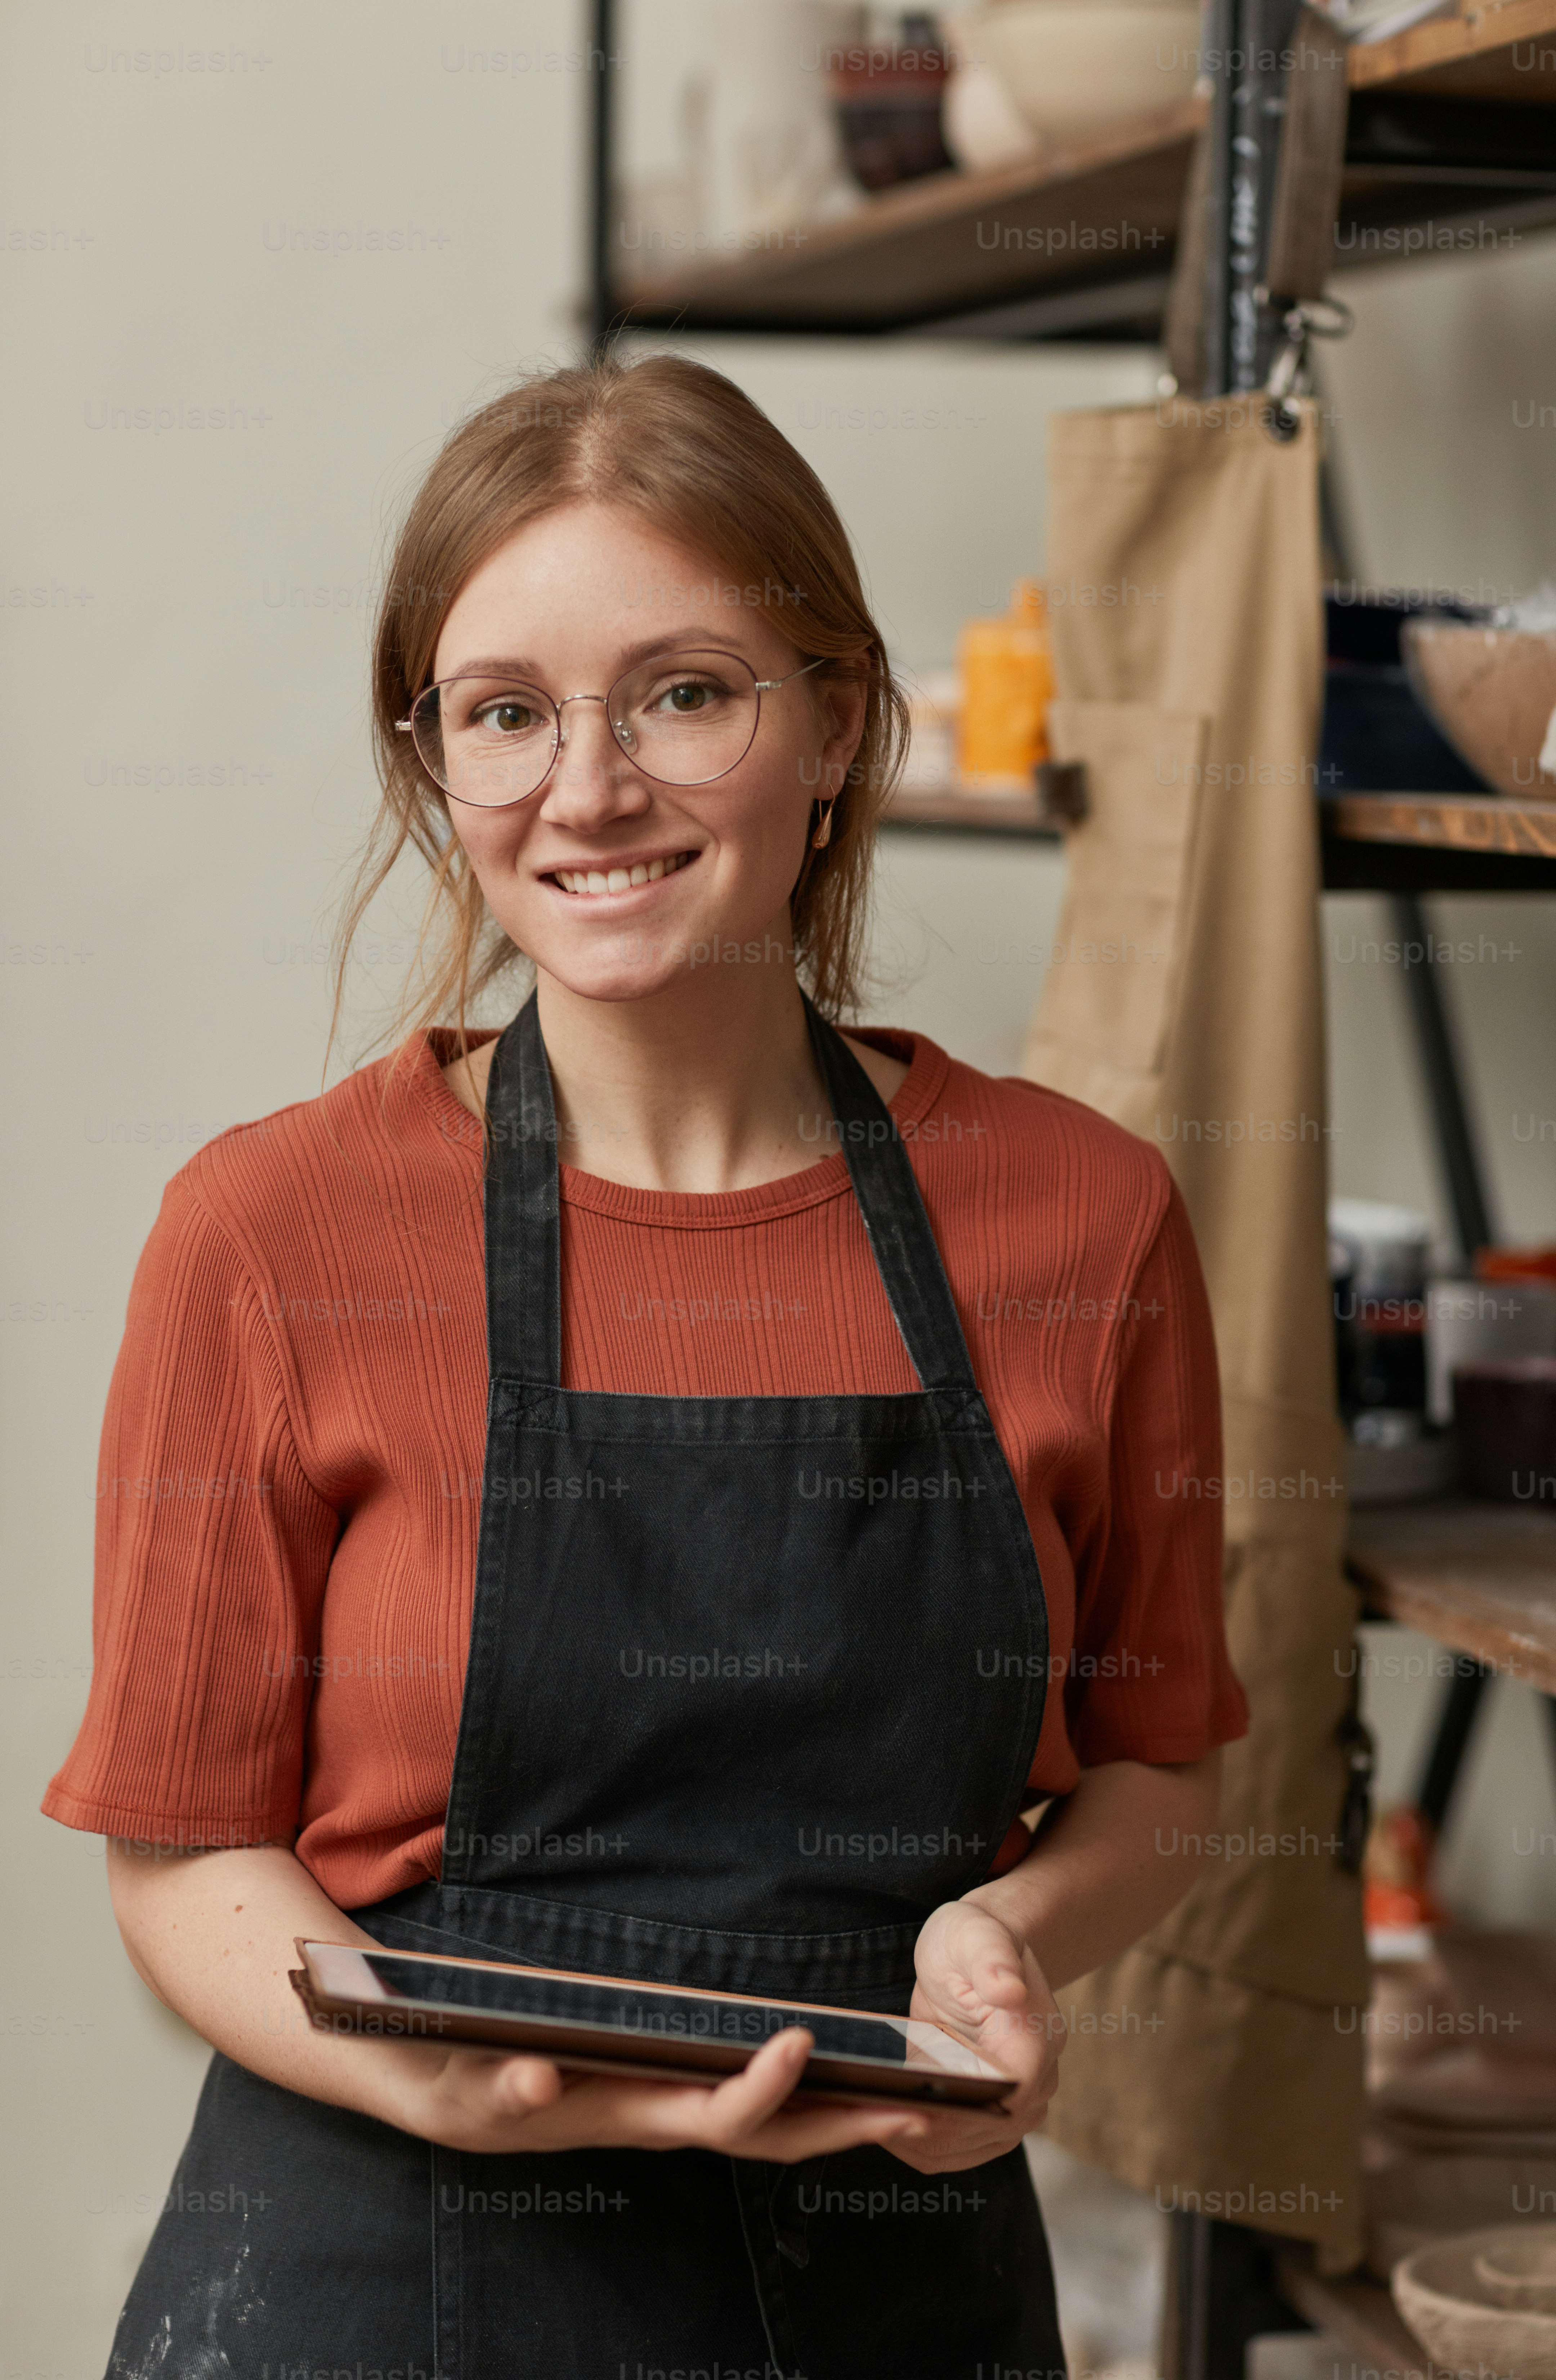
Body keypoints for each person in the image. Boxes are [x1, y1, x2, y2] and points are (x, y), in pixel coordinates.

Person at [44, 354, 1247, 2379]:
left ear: (838, 723)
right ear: (437, 763)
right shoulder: (269, 1233)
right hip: (384, 2264)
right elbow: (179, 1854)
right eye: (505, 713)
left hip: (897, 2261)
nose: (587, 789)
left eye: (685, 694)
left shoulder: (1083, 1217)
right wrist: (423, 2071)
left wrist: (1007, 1949)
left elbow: (1169, 1767)